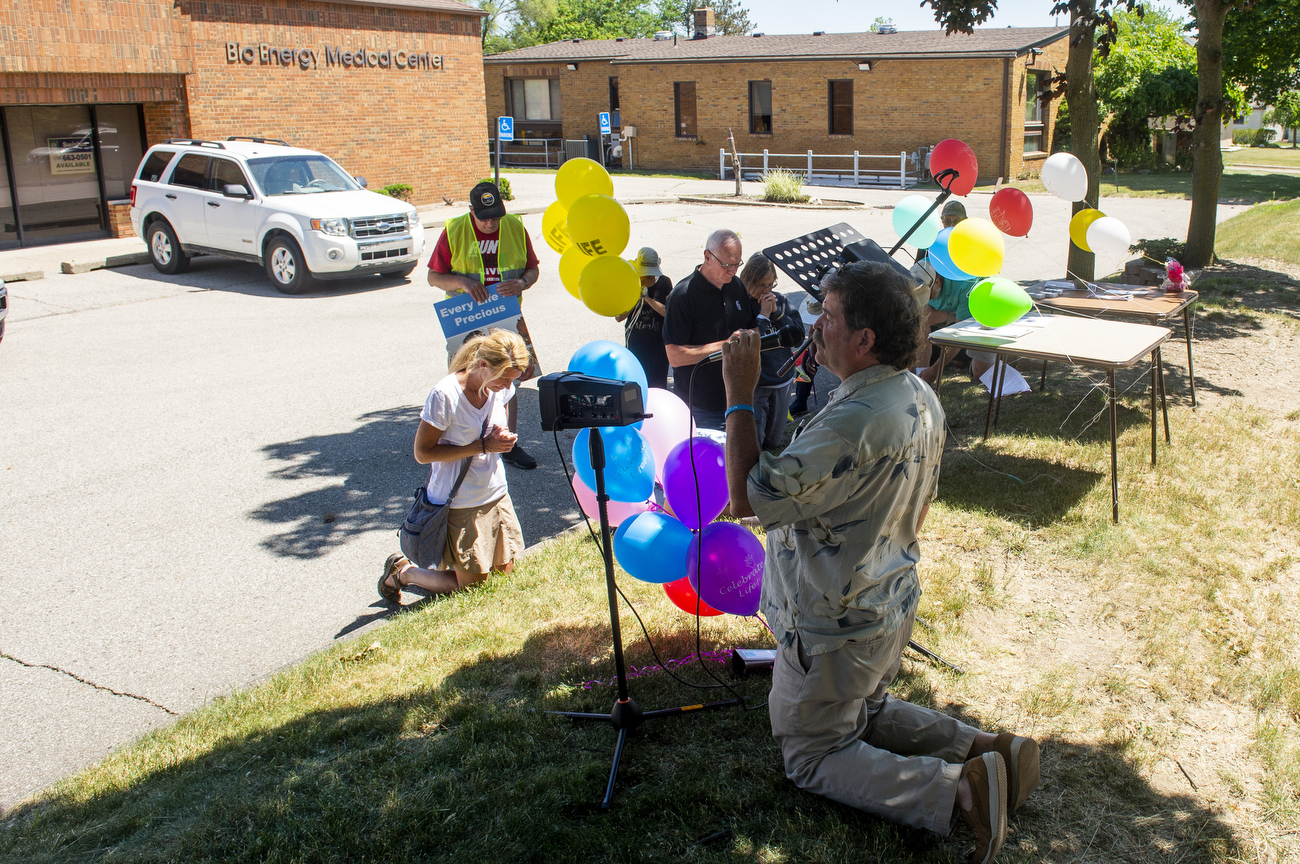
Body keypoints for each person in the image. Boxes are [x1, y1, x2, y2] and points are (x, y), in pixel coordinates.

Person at [719, 262, 1040, 864]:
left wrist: (738, 393)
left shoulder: (854, 421)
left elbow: (747, 497)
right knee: (862, 711)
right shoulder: (917, 393)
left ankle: (962, 793)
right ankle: (988, 748)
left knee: (812, 750)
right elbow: (918, 510)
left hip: (835, 625)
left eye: (829, 317)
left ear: (864, 340)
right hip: (885, 607)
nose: (815, 325)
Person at [379, 329, 530, 602]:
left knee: (503, 577)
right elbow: (423, 453)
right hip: (461, 501)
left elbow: (498, 422)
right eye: (505, 379)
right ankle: (404, 572)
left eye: (513, 380)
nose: (508, 387)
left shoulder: (501, 390)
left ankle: (409, 572)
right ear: (483, 365)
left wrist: (502, 438)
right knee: (471, 588)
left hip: (496, 492)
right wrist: (483, 446)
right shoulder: (445, 395)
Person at [428, 181, 541, 469]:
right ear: (470, 211)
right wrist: (463, 283)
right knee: (465, 379)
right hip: (466, 318)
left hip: (504, 316)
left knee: (508, 378)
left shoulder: (514, 227)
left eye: (495, 216)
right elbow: (434, 277)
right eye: (484, 217)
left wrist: (522, 282)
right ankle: (461, 443)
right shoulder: (454, 230)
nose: (491, 222)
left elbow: (533, 269)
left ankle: (506, 442)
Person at [662, 229, 757, 430]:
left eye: (737, 264)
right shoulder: (683, 295)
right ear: (707, 256)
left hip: (737, 397)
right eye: (727, 265)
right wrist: (726, 345)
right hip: (699, 406)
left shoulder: (736, 285)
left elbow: (751, 325)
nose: (733, 271)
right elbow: (675, 356)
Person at [918, 201, 995, 386]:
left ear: (965, 221)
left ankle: (970, 363)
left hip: (976, 312)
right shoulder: (932, 252)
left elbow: (959, 332)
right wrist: (925, 374)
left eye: (956, 220)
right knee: (919, 320)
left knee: (980, 374)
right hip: (951, 308)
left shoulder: (968, 279)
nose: (951, 225)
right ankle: (920, 378)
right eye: (947, 220)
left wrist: (935, 372)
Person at [738, 252, 803, 448]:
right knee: (756, 438)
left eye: (771, 284)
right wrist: (764, 317)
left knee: (774, 439)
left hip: (782, 382)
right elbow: (748, 343)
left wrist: (777, 314)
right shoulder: (742, 306)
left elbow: (799, 336)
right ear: (749, 281)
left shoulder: (780, 302)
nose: (767, 290)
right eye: (762, 285)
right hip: (758, 384)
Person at [615, 247, 672, 391]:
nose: (647, 279)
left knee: (658, 386)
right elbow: (619, 317)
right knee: (636, 385)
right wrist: (635, 299)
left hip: (658, 346)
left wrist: (648, 299)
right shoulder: (631, 282)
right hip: (636, 343)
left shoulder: (664, 283)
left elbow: (668, 313)